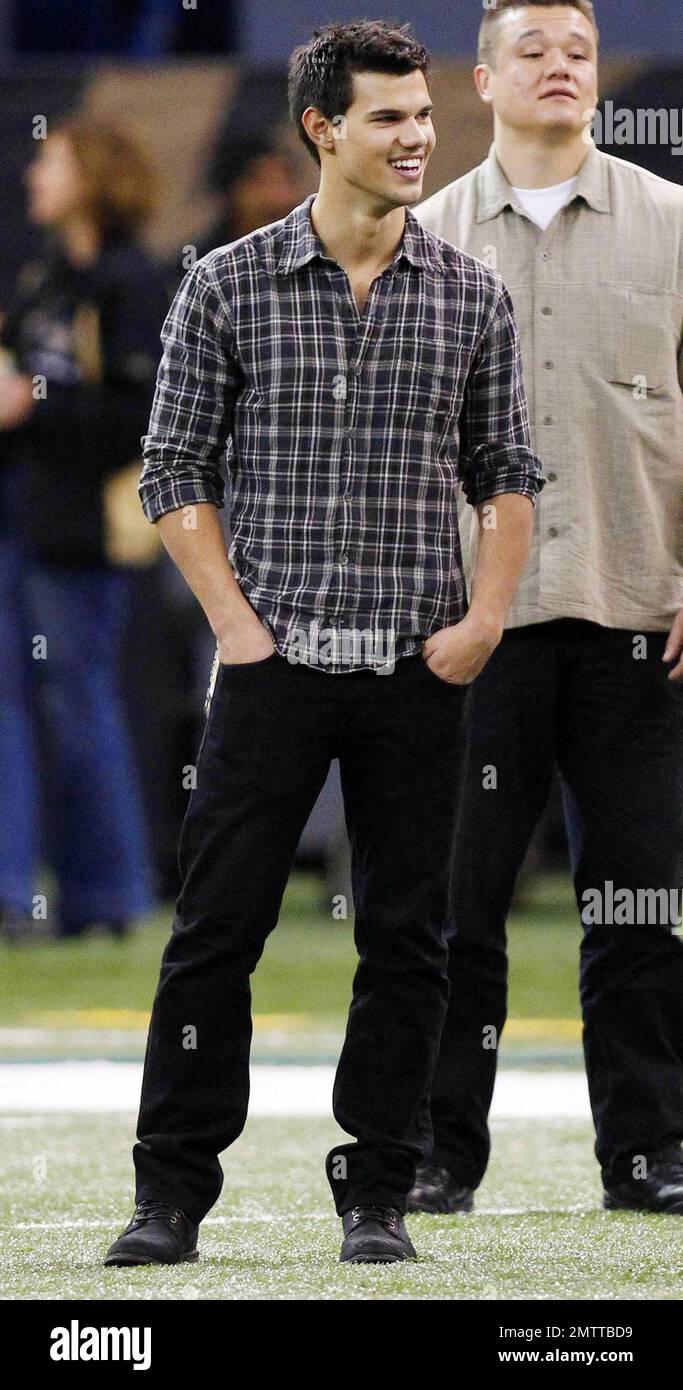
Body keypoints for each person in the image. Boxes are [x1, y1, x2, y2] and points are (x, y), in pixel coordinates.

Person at [103, 18, 543, 1269]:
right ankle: (171, 1194)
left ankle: (378, 1192)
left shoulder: (468, 294)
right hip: (272, 665)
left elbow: (506, 473)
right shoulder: (224, 283)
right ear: (322, 129)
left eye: (422, 117)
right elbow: (170, 468)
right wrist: (237, 627)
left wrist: (482, 620)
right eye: (391, 119)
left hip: (421, 668)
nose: (418, 140)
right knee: (214, 935)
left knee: (410, 938)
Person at [411, 0, 683, 1217]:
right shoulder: (416, 238)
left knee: (638, 903)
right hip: (472, 628)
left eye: (576, 49)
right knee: (454, 910)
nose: (559, 67)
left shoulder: (674, 224)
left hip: (640, 610)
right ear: (480, 79)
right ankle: (433, 1156)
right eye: (531, 49)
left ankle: (650, 1152)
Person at [0, 114, 167, 939]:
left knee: (77, 707)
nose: (35, 175)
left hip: (84, 532)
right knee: (16, 708)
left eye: (52, 162)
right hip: (22, 518)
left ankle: (106, 896)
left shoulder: (132, 281)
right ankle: (15, 891)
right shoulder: (43, 278)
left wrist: (34, 403)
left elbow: (145, 419)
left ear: (94, 178)